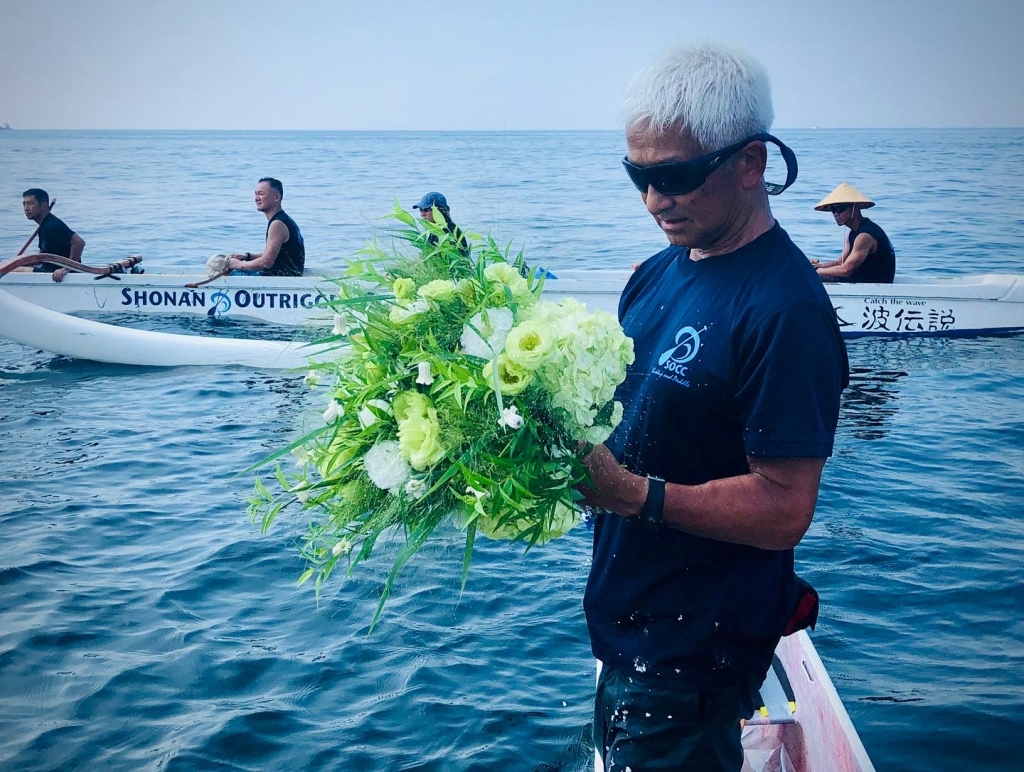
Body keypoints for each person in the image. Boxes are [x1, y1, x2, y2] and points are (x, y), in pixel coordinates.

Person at [579, 43, 849, 771]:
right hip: (628, 630)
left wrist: (635, 496)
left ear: (750, 164)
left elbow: (785, 506)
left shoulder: (784, 309)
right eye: (639, 175)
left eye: (675, 176)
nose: (654, 199)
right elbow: (626, 423)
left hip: (693, 662)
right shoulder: (655, 274)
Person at [812, 182, 896, 283]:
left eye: (840, 208)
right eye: (833, 209)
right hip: (860, 281)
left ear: (855, 208)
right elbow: (840, 262)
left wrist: (817, 271)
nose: (836, 214)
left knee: (809, 279)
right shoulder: (853, 233)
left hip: (875, 286)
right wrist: (815, 267)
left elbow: (845, 270)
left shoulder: (865, 236)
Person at [224, 177, 305, 276]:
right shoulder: (285, 220)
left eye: (261, 194)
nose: (256, 198)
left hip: (280, 281)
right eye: (256, 194)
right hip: (286, 277)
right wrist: (247, 257)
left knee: (225, 274)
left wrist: (238, 264)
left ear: (276, 197)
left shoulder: (277, 224)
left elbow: (266, 263)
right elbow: (277, 255)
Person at [16, 189, 86, 283]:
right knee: (17, 267)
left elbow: (79, 242)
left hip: (54, 273)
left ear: (44, 205)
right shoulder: (44, 226)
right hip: (48, 269)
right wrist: (20, 261)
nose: (26, 208)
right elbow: (42, 255)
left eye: (30, 203)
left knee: (10, 272)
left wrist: (66, 269)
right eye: (24, 204)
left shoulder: (52, 225)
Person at [413, 191, 469, 256]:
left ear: (439, 210)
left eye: (426, 209)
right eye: (421, 209)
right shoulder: (436, 230)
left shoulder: (449, 232)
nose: (422, 214)